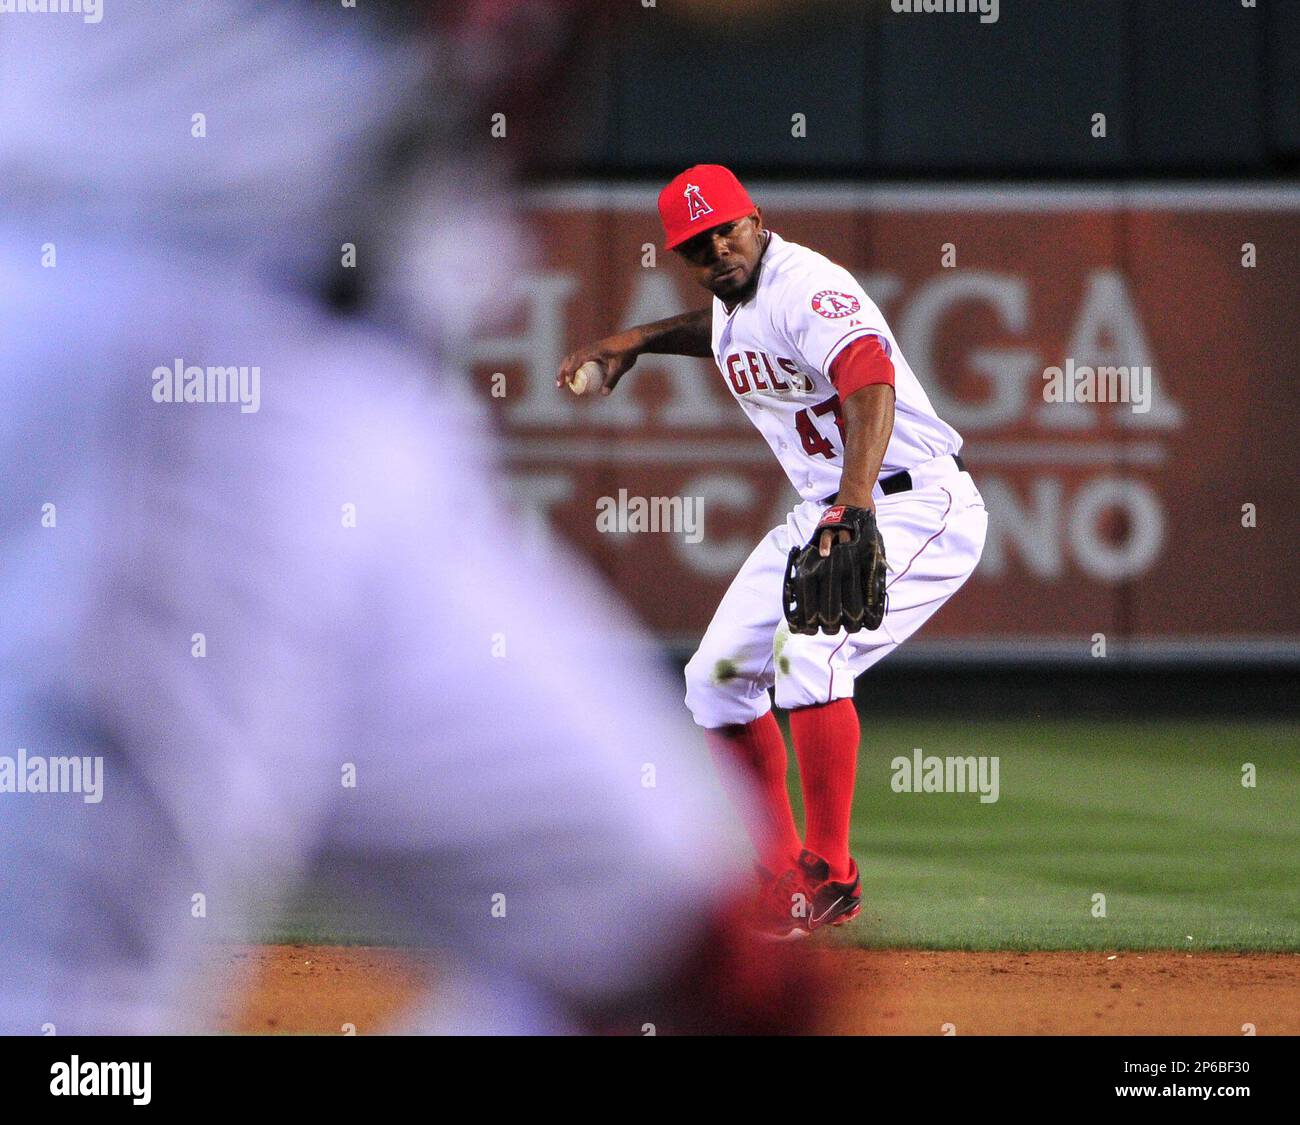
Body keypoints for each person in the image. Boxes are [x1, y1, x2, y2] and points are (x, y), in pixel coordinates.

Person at [558, 164, 988, 938]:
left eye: (727, 228)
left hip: (914, 499)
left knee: (809, 658)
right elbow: (721, 332)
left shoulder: (807, 284)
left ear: (757, 219)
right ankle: (782, 875)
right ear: (681, 258)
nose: (718, 248)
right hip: (829, 509)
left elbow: (868, 375)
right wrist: (636, 340)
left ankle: (830, 876)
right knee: (715, 679)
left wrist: (853, 504)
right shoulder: (736, 301)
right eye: (697, 244)